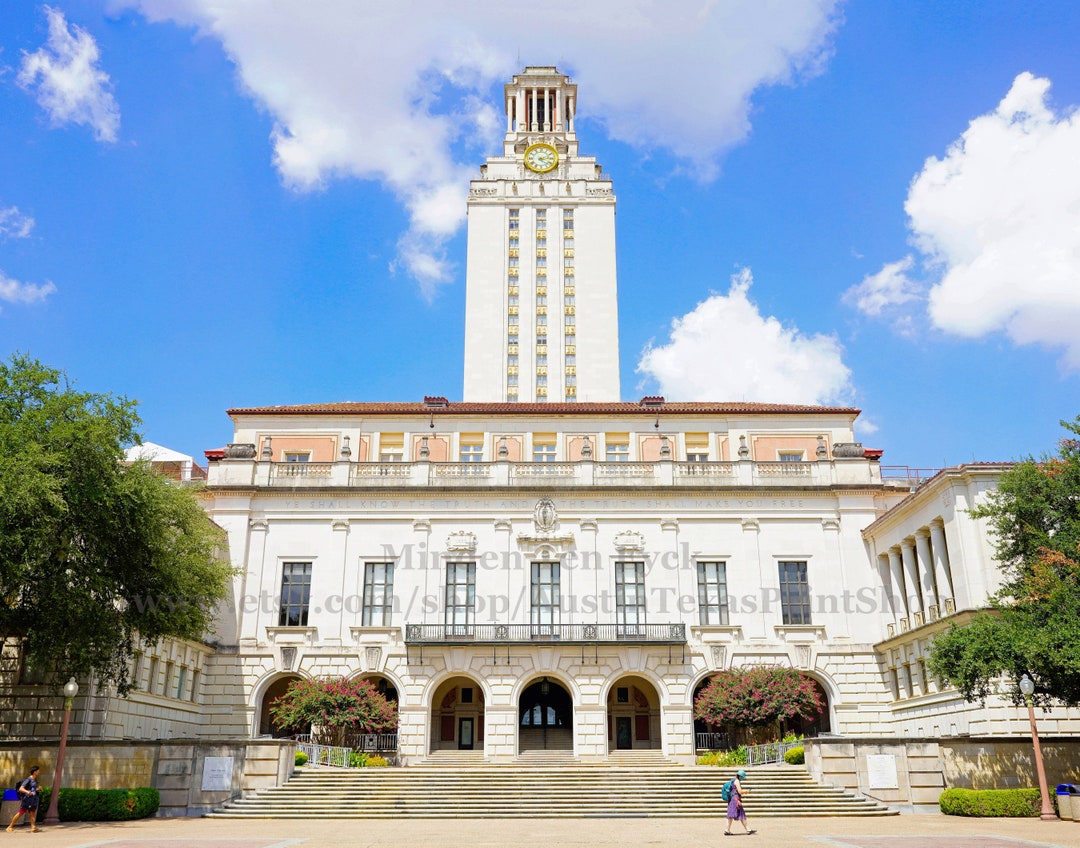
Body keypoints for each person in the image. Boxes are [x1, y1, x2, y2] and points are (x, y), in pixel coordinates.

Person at [7, 766, 42, 833]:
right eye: (38, 771)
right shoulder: (28, 779)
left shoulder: (35, 780)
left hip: (33, 799)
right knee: (21, 812)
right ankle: (10, 827)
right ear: (34, 772)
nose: (39, 772)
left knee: (32, 813)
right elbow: (21, 788)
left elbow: (32, 789)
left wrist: (37, 789)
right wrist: (28, 792)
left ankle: (33, 827)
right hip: (27, 799)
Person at [724, 768, 756, 836]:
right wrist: (747, 791)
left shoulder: (733, 780)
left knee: (731, 815)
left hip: (732, 799)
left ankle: (727, 830)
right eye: (743, 777)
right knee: (739, 814)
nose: (743, 779)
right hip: (736, 800)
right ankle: (748, 830)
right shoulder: (737, 781)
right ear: (740, 776)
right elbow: (740, 791)